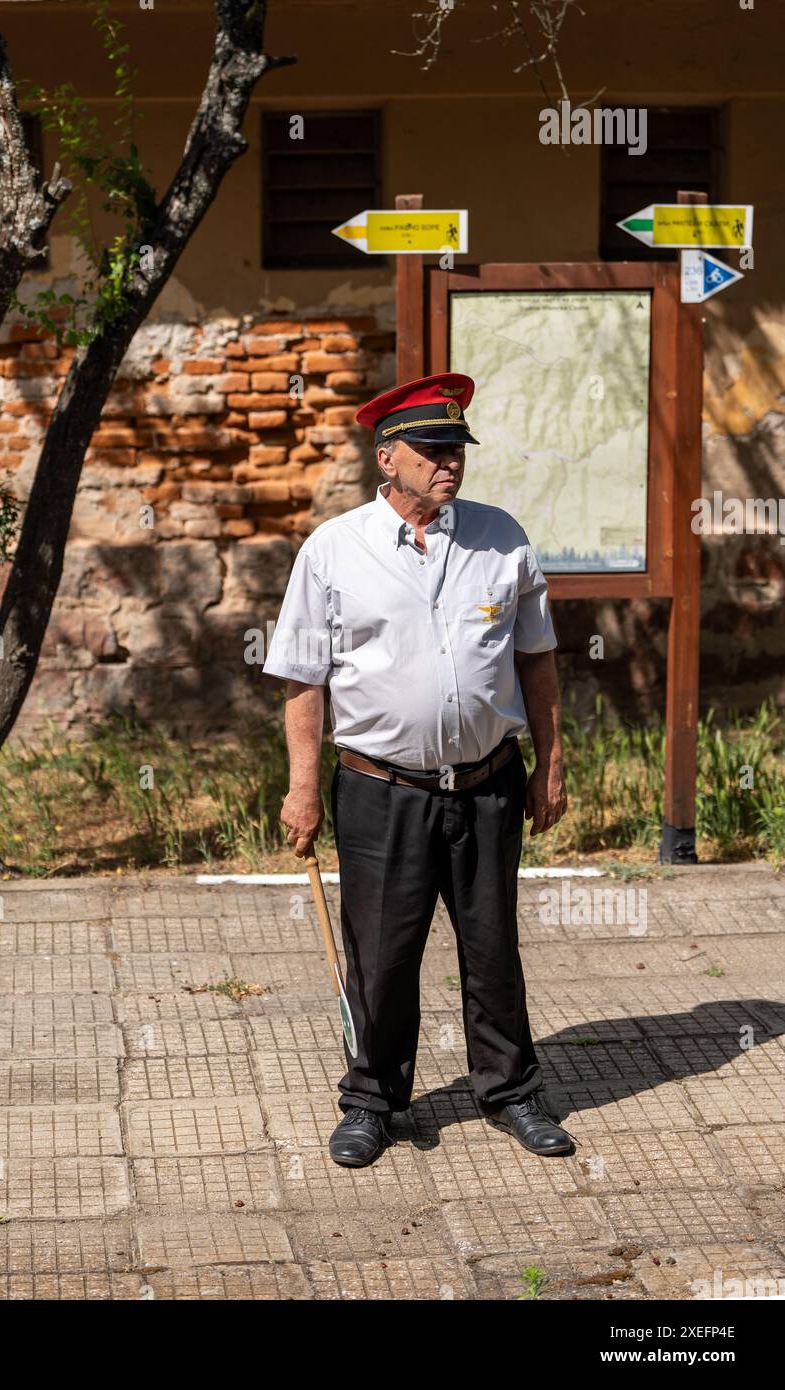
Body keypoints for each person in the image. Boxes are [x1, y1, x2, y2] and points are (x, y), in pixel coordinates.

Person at [261, 371, 571, 1167]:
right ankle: (372, 1100)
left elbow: (536, 659)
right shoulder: (334, 548)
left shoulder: (501, 537)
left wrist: (551, 763)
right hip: (379, 789)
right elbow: (303, 677)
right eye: (432, 450)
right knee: (383, 952)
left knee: (493, 947)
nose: (449, 463)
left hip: (488, 782)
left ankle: (510, 1092)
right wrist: (301, 788)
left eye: (456, 449)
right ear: (386, 456)